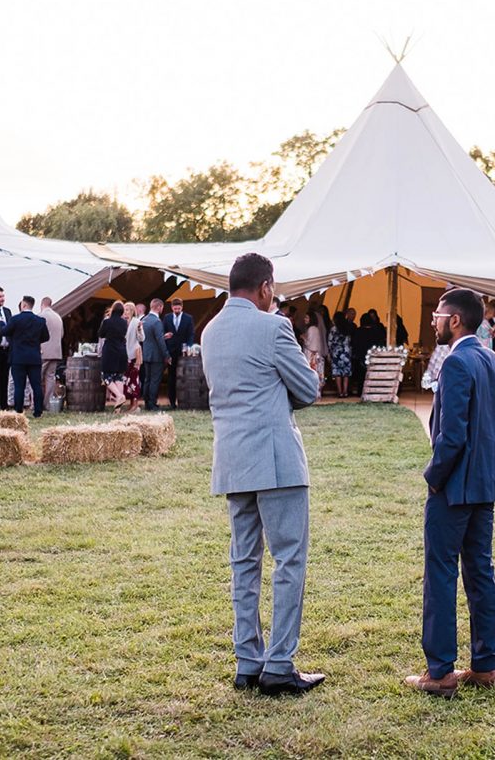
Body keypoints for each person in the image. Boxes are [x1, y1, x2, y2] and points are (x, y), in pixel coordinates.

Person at [202, 252, 324, 696]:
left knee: (244, 561)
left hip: (233, 460)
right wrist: (295, 382)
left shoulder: (210, 331)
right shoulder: (274, 327)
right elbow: (307, 390)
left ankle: (247, 660)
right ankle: (280, 664)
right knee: (289, 560)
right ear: (266, 287)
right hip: (275, 460)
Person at [405, 287, 495, 698]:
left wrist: (435, 477)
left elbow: (451, 435)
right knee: (480, 571)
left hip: (452, 489)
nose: (433, 320)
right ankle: (485, 666)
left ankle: (440, 672)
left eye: (437, 314)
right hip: (486, 484)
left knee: (441, 573)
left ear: (455, 320)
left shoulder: (455, 363)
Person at [1, 295, 50, 418]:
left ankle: (19, 410)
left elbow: (4, 332)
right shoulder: (40, 321)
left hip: (18, 357)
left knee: (19, 386)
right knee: (36, 386)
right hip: (34, 357)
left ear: (23, 305)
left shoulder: (15, 319)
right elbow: (46, 337)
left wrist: (1, 323)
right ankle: (38, 411)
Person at [163, 298, 195, 408]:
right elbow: (163, 332)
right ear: (172, 307)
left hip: (183, 351)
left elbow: (191, 334)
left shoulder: (188, 318)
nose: (177, 310)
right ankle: (172, 402)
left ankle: (184, 400)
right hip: (171, 351)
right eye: (175, 308)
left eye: (179, 308)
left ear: (182, 307)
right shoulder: (167, 318)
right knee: (171, 376)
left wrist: (189, 346)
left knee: (183, 376)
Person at [99, 301, 129, 410]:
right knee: (119, 377)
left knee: (106, 376)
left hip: (110, 350)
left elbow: (101, 334)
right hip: (121, 350)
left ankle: (119, 396)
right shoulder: (124, 322)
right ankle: (118, 407)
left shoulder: (107, 321)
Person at [141, 298, 167, 411]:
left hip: (146, 354)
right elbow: (159, 340)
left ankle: (147, 403)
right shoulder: (157, 322)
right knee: (155, 380)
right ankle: (152, 404)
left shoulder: (144, 320)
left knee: (147, 380)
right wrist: (166, 355)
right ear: (159, 307)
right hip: (156, 356)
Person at [40, 297, 64, 404]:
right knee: (50, 377)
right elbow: (62, 334)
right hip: (56, 351)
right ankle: (48, 403)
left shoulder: (41, 316)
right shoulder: (58, 317)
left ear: (42, 304)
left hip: (43, 351)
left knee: (37, 377)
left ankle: (36, 402)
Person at [327, 309, 354, 398]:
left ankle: (340, 392)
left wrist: (330, 353)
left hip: (336, 353)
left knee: (337, 373)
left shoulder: (333, 329)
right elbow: (349, 340)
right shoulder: (347, 328)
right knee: (346, 373)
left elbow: (330, 342)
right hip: (346, 352)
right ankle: (345, 391)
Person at [123, 302, 144, 412]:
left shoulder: (136, 322)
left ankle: (135, 404)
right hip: (124, 354)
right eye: (124, 309)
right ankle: (130, 403)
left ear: (132, 311)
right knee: (126, 380)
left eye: (127, 309)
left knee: (134, 379)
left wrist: (140, 329)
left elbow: (142, 339)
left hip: (135, 354)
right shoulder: (122, 322)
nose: (125, 312)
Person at [302, 311, 325, 390]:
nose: (304, 319)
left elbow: (309, 343)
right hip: (315, 354)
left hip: (311, 355)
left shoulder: (311, 329)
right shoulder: (315, 329)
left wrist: (303, 338)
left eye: (307, 317)